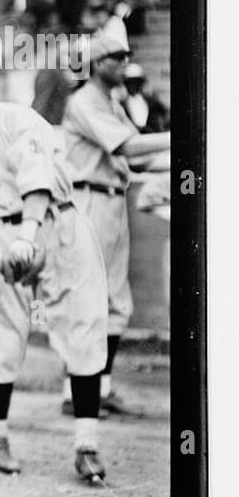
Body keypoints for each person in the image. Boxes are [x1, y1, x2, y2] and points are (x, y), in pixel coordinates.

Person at [0, 61, 111, 483]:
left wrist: (29, 233)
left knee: (82, 324)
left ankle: (86, 445)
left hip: (54, 224)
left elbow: (38, 179)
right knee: (2, 335)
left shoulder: (19, 119)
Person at [62, 34, 171, 415]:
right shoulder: (83, 100)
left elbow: (139, 161)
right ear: (97, 63)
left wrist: (186, 156)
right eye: (116, 57)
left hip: (111, 199)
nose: (124, 63)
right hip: (87, 199)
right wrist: (181, 139)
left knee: (114, 301)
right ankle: (73, 391)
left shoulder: (112, 101)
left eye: (126, 56)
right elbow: (127, 148)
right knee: (86, 299)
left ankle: (100, 388)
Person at [122, 63, 169, 132]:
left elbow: (165, 112)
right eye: (130, 82)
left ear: (141, 83)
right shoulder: (121, 104)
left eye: (136, 82)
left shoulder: (151, 100)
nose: (133, 85)